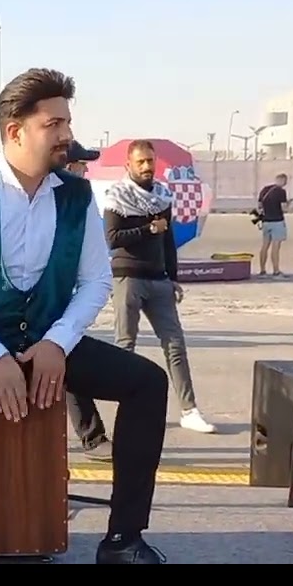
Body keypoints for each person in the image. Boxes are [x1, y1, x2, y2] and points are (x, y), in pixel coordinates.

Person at [0, 68, 168, 565]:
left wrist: (57, 343)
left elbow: (96, 281)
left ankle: (124, 538)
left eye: (67, 122)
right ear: (14, 131)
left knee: (147, 383)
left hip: (46, 336)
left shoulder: (77, 195)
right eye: (54, 124)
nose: (67, 134)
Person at [98, 140, 214, 435]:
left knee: (175, 344)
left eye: (150, 161)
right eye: (141, 162)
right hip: (128, 278)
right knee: (126, 347)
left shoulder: (163, 197)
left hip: (159, 279)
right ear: (129, 165)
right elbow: (112, 238)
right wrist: (147, 229)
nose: (147, 167)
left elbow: (167, 242)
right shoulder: (117, 196)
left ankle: (189, 410)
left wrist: (173, 277)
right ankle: (128, 411)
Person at [256, 173, 290, 278]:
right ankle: (276, 271)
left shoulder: (265, 189)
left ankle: (262, 271)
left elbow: (259, 206)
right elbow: (284, 208)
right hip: (277, 221)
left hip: (266, 221)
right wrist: (288, 204)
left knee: (264, 246)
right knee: (276, 247)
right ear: (284, 181)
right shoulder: (281, 192)